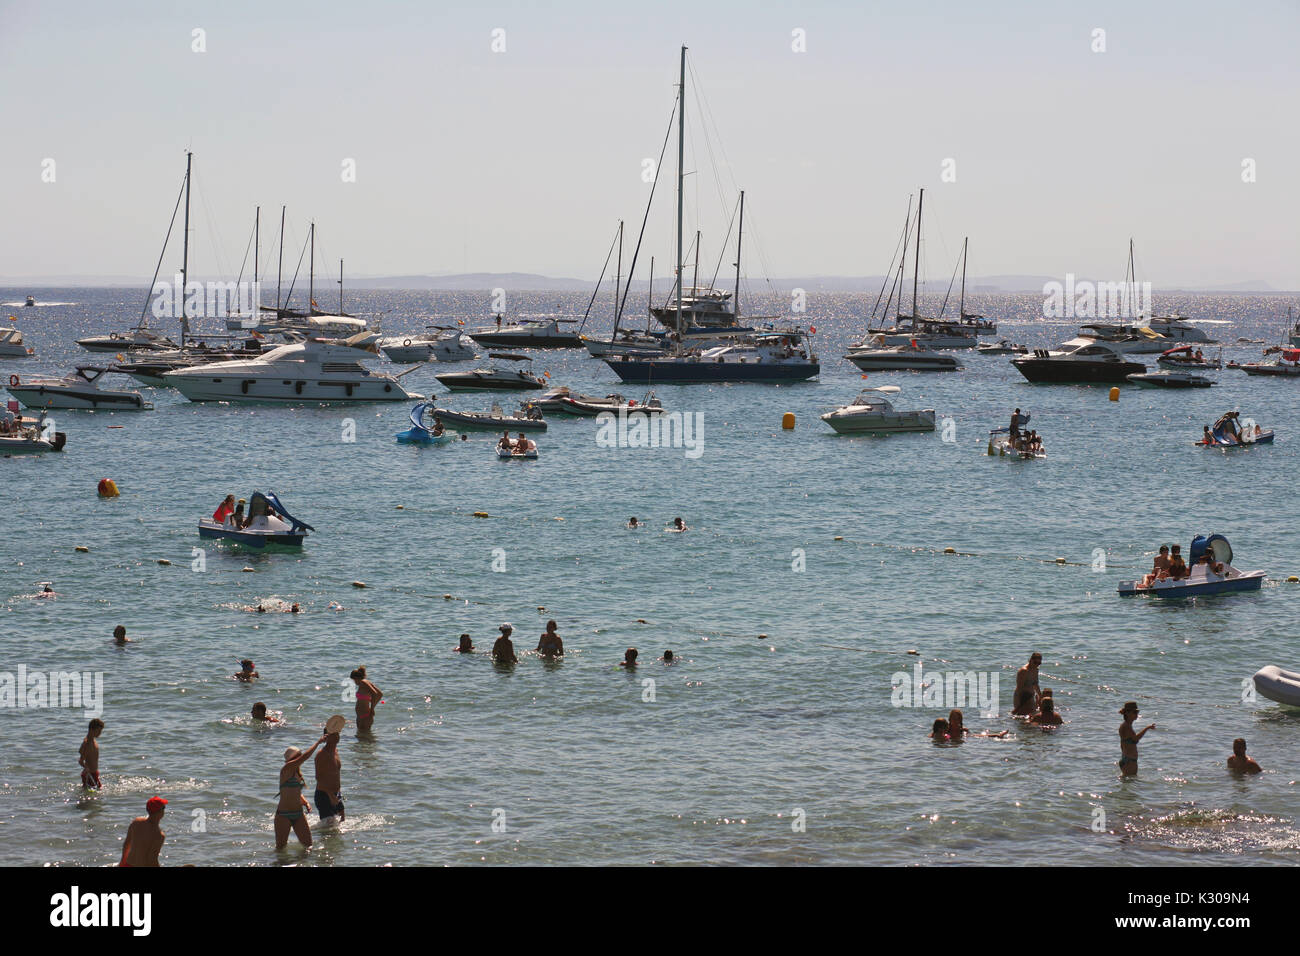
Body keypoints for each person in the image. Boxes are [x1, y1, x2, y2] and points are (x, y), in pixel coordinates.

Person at [276, 738, 325, 849]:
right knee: (281, 848)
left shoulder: (297, 773)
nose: (300, 758)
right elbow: (305, 757)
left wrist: (305, 802)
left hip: (298, 814)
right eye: (298, 756)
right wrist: (318, 743)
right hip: (283, 814)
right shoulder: (286, 769)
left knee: (308, 846)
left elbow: (294, 792)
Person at [119, 797, 167, 867]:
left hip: (127, 864)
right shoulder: (158, 835)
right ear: (160, 812)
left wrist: (122, 863)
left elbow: (126, 845)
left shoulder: (136, 822)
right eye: (164, 807)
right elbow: (152, 860)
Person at [314, 727, 345, 824]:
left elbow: (336, 774)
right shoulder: (321, 755)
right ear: (326, 737)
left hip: (336, 794)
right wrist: (330, 795)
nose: (337, 736)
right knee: (329, 831)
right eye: (334, 735)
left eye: (337, 734)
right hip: (324, 795)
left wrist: (338, 794)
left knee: (342, 821)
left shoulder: (335, 751)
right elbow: (319, 778)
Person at [1118, 702, 1154, 776]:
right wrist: (1147, 728)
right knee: (1130, 783)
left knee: (1129, 784)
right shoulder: (1126, 726)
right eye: (1134, 712)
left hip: (1128, 760)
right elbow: (1136, 739)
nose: (1136, 714)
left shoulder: (1127, 725)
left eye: (1137, 712)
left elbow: (1123, 744)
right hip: (1129, 762)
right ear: (1127, 713)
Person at [351, 667, 381, 732]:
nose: (354, 682)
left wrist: (372, 708)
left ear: (357, 678)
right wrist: (370, 701)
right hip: (362, 716)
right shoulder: (365, 682)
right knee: (363, 738)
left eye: (354, 680)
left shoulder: (363, 682)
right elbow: (380, 694)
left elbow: (375, 694)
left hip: (365, 716)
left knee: (364, 738)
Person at [79, 718, 104, 789]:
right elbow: (80, 760)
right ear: (91, 729)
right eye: (98, 731)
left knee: (97, 793)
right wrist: (86, 767)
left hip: (94, 773)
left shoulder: (93, 741)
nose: (100, 733)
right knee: (91, 796)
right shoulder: (87, 743)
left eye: (101, 731)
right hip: (89, 774)